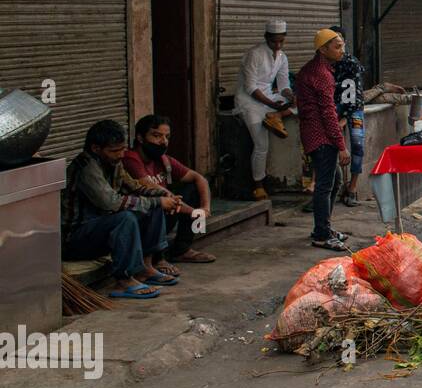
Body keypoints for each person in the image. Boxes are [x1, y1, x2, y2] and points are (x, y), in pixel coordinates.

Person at [63, 119, 181, 299]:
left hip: (99, 230)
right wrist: (157, 201)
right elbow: (111, 203)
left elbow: (133, 186)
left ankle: (146, 268)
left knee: (152, 206)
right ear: (96, 148)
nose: (121, 154)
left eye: (122, 149)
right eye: (115, 151)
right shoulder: (86, 169)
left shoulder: (113, 163)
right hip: (75, 239)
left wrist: (163, 195)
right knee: (125, 217)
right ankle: (124, 280)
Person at [123, 115, 217, 266]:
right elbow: (157, 191)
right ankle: (156, 258)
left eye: (167, 137)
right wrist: (194, 212)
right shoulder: (130, 159)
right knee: (159, 202)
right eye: (157, 136)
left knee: (193, 188)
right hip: (142, 222)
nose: (163, 142)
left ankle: (182, 249)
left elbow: (199, 178)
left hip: (166, 216)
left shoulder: (163, 159)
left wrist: (205, 208)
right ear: (140, 138)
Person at [298, 28, 349, 251]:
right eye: (337, 46)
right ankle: (321, 234)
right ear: (323, 49)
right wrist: (342, 146)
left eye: (342, 45)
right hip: (321, 137)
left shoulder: (312, 69)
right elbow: (329, 114)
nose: (342, 50)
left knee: (334, 180)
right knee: (325, 186)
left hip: (312, 133)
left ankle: (324, 227)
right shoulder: (321, 74)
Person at [236, 20, 295, 201]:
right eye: (273, 41)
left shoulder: (282, 57)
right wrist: (272, 104)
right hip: (250, 102)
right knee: (261, 145)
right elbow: (250, 88)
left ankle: (275, 118)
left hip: (269, 99)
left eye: (281, 42)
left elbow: (284, 85)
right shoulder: (254, 54)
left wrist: (290, 96)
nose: (277, 45)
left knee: (302, 103)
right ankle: (259, 185)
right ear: (266, 38)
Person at [329, 26, 366, 207]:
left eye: (340, 43)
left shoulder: (351, 63)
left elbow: (355, 95)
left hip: (353, 108)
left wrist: (344, 118)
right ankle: (327, 187)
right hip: (332, 108)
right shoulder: (323, 64)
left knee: (357, 145)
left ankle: (352, 188)